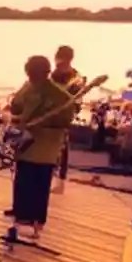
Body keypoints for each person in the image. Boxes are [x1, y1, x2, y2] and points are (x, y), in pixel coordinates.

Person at [4, 56, 74, 238]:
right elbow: (16, 107)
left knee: (39, 184)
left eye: (34, 73)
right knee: (23, 181)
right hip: (25, 142)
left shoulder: (59, 96)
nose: (31, 76)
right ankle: (20, 216)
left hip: (45, 147)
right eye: (29, 73)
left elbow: (66, 120)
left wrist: (46, 122)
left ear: (44, 72)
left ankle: (36, 221)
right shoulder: (27, 87)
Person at [50, 46, 85, 193]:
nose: (57, 62)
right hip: (50, 114)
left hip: (64, 115)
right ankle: (51, 178)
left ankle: (60, 182)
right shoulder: (54, 74)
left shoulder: (76, 78)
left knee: (62, 147)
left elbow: (77, 101)